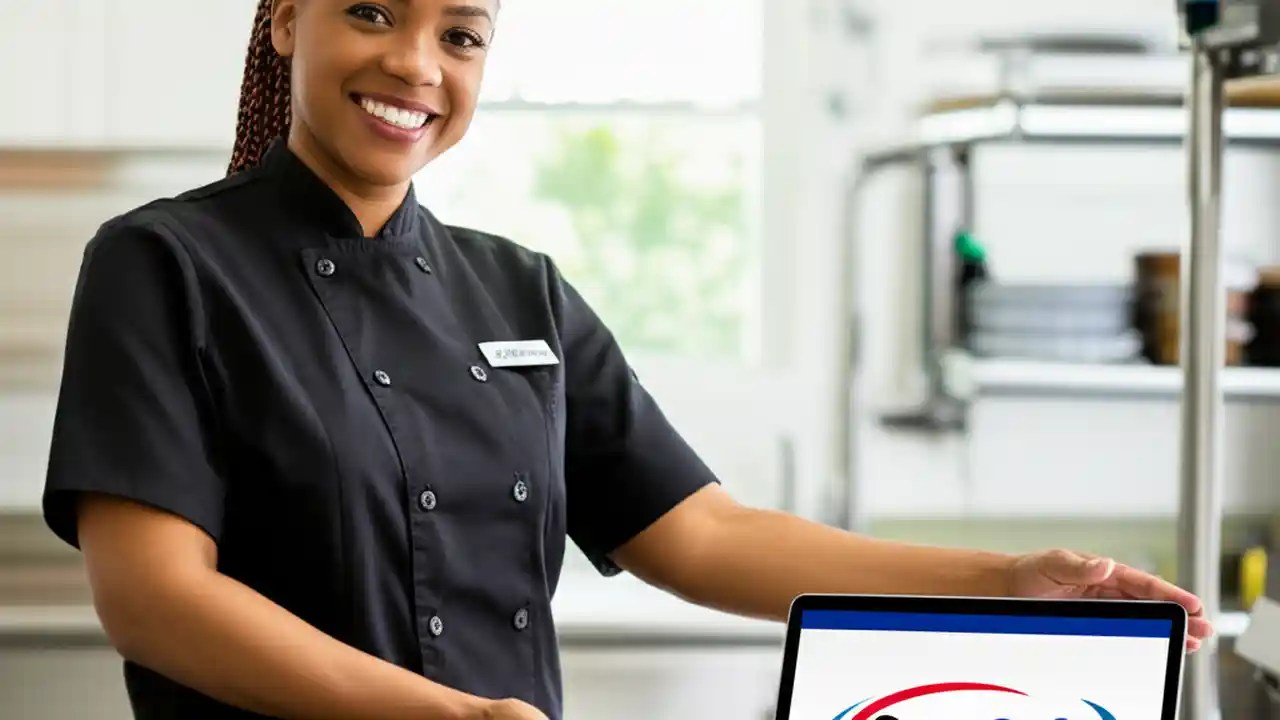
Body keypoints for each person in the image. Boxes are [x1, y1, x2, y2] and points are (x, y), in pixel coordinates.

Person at [41, 1, 1212, 719]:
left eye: (460, 35)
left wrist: (1001, 587)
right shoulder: (164, 263)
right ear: (285, 17)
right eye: (369, 12)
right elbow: (157, 600)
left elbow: (701, 535)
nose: (415, 64)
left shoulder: (517, 288)